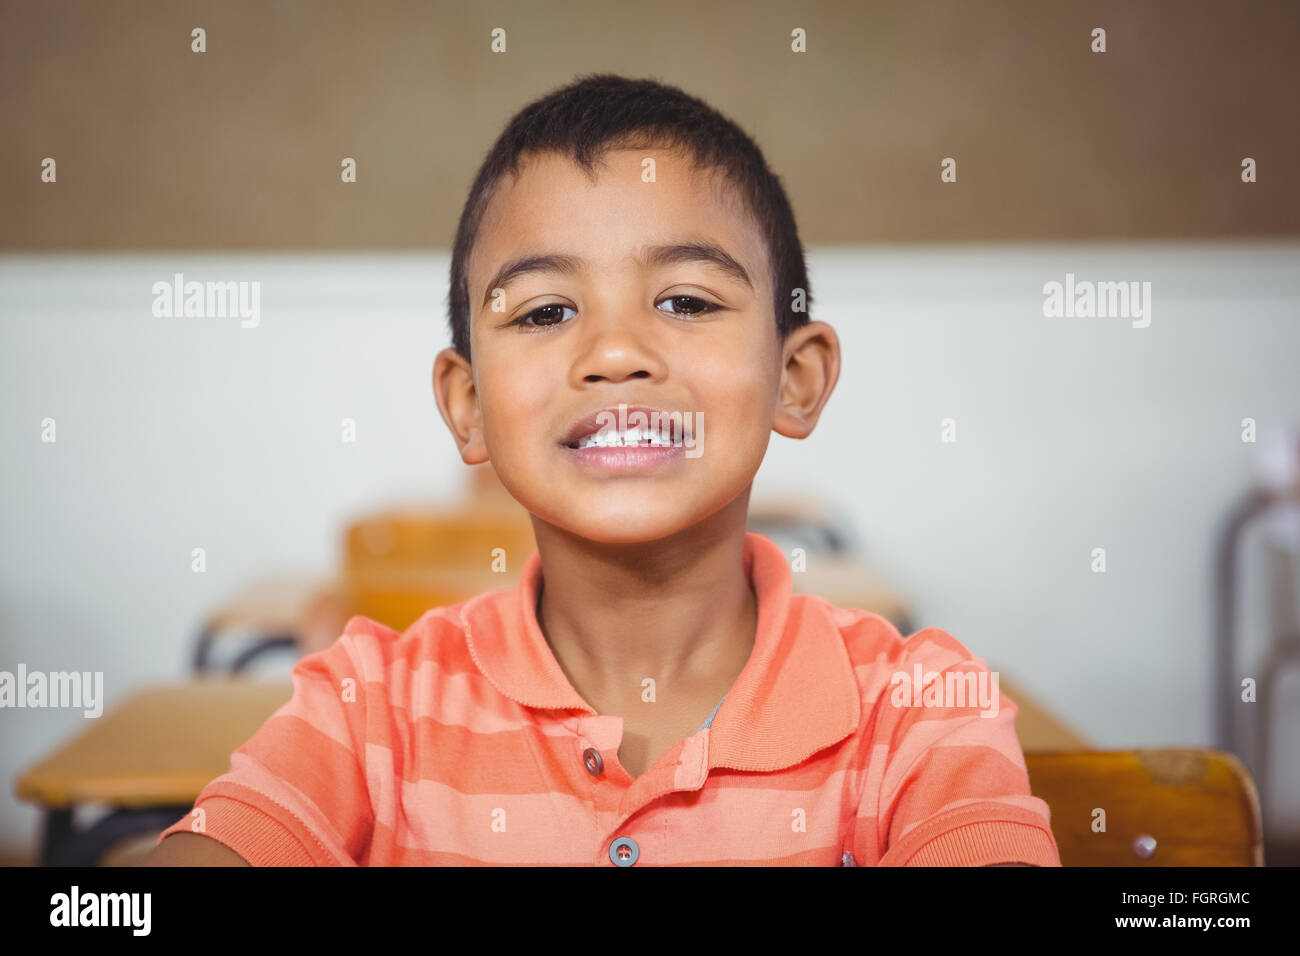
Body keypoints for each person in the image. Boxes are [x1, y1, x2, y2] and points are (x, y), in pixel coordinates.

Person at [141, 73, 1059, 866]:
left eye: (686, 300)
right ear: (468, 406)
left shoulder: (921, 711)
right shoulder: (367, 706)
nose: (615, 352)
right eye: (544, 312)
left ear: (796, 377)